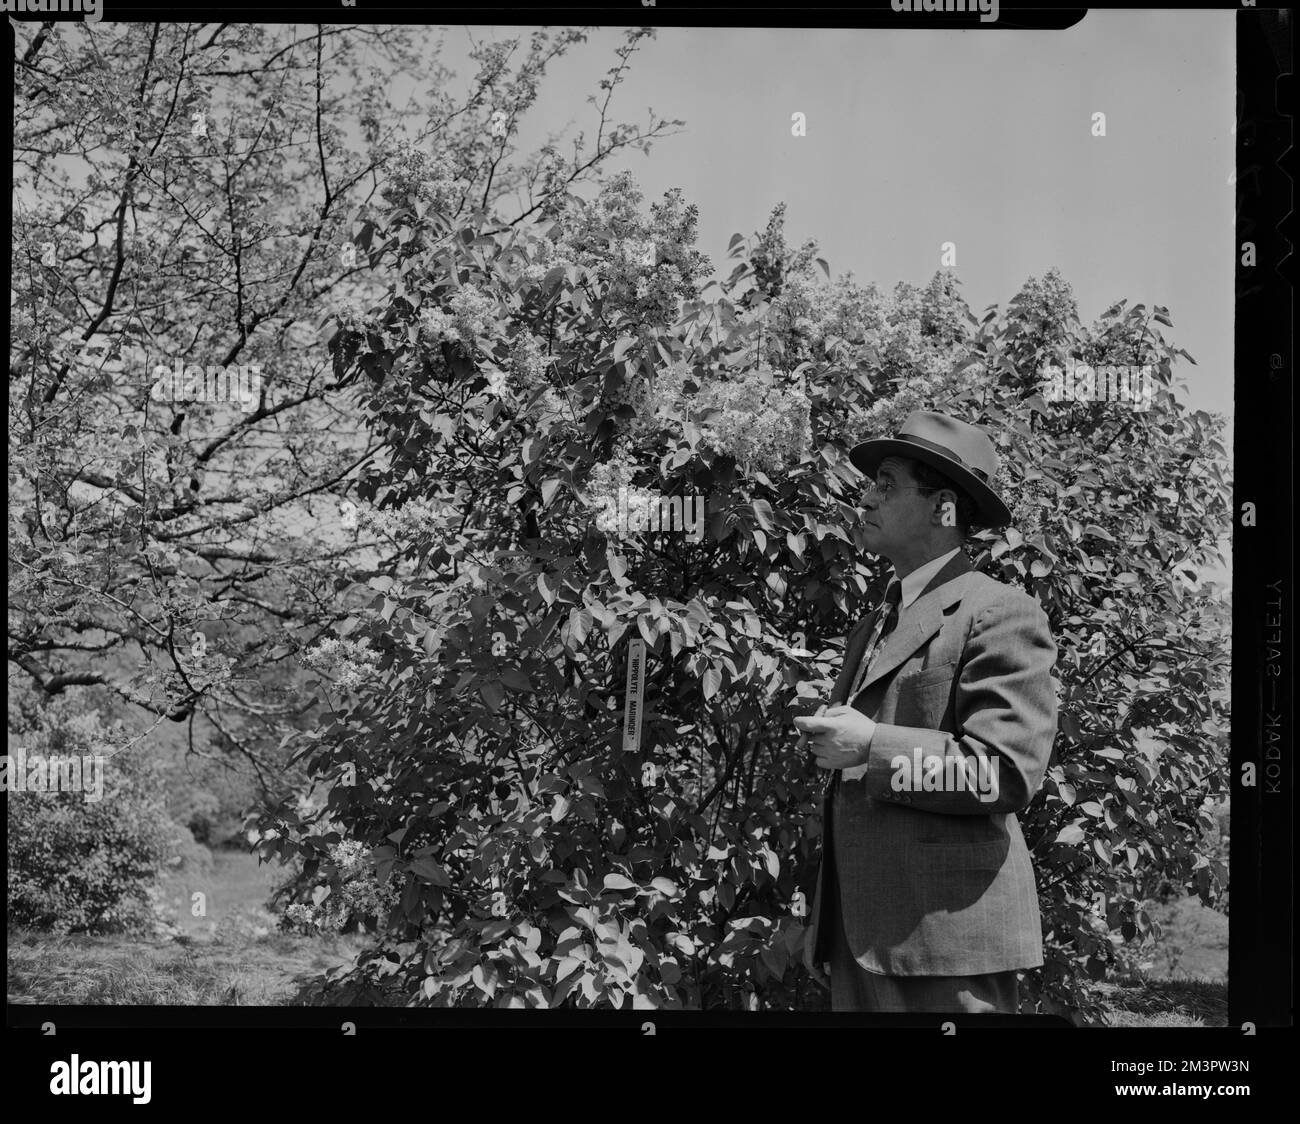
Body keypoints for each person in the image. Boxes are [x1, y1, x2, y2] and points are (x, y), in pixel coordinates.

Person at [794, 410, 1059, 1014]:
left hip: (947, 941)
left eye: (886, 484)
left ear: (943, 508)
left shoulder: (1000, 612)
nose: (864, 497)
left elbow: (1006, 771)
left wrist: (870, 745)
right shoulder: (875, 623)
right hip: (862, 933)